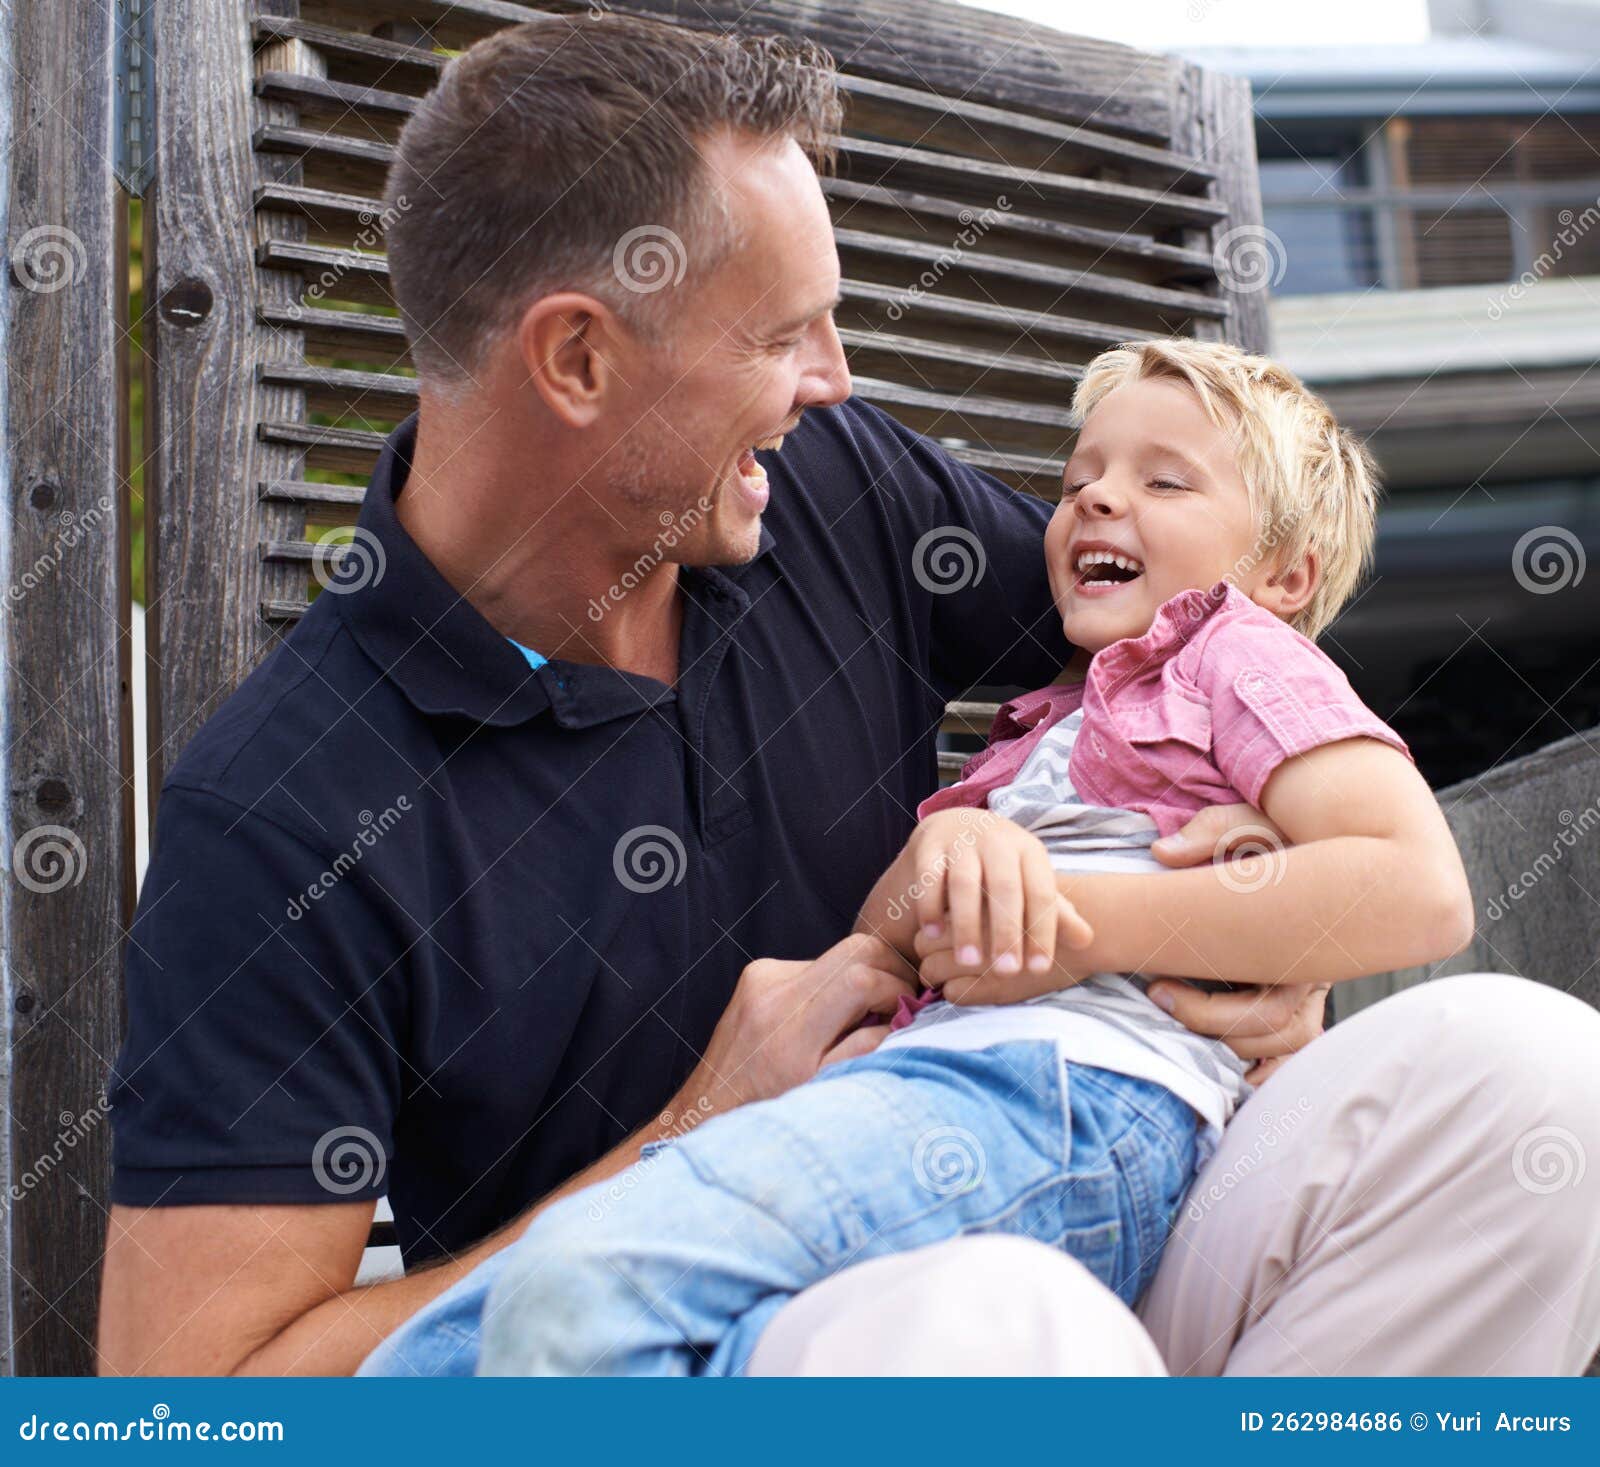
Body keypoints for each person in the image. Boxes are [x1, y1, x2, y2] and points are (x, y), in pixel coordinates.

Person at [97, 15, 1600, 1380]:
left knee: (1538, 1085)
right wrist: (695, 1125)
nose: (837, 377)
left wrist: (1255, 926)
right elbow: (207, 1400)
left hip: (1103, 1169)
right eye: (782, 333)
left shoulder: (829, 490)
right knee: (990, 1325)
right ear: (577, 355)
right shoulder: (284, 815)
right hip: (739, 1347)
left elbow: (1195, 649)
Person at [358, 337, 1478, 1375]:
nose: (1096, 495)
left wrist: (1082, 925)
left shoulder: (1234, 655)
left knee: (595, 1290)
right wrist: (954, 841)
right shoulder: (1050, 720)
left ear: (1284, 576)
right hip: (930, 1092)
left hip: (1061, 1097)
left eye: (1164, 481)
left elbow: (1417, 888)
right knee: (467, 1337)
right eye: (1082, 472)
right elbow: (897, 929)